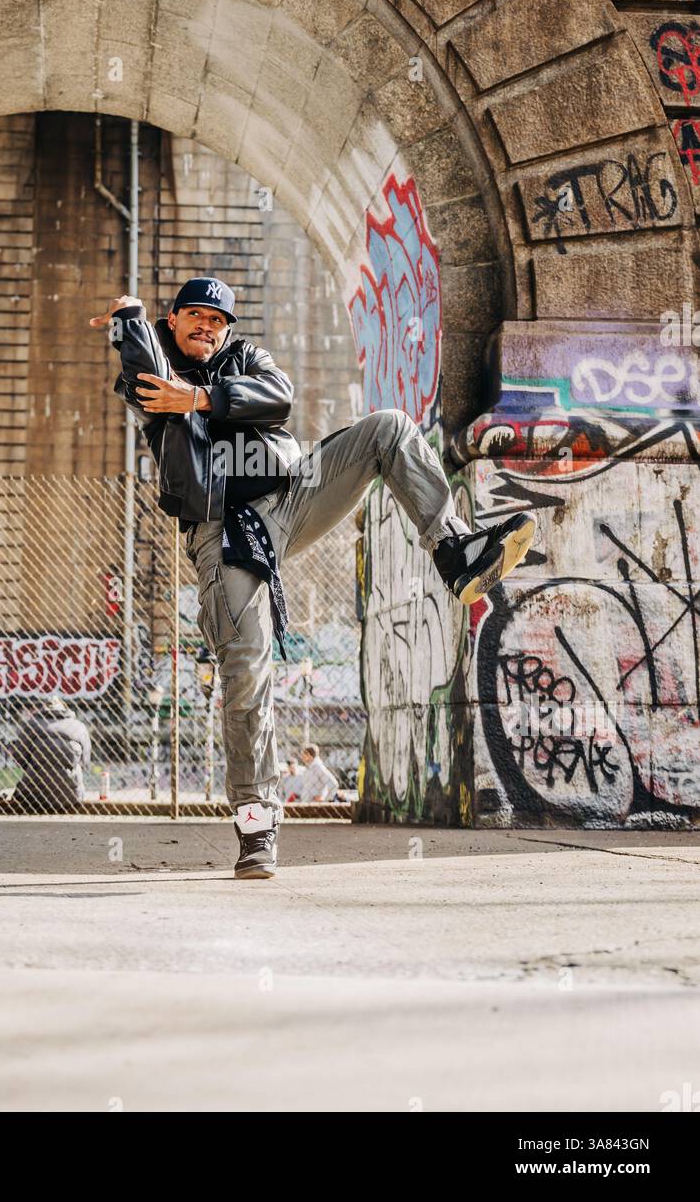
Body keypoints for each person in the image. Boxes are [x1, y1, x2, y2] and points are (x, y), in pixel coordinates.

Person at [90, 276, 536, 878]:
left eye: (217, 319)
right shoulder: (153, 372)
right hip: (223, 529)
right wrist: (133, 318)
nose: (205, 325)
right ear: (173, 322)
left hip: (294, 494)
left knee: (390, 428)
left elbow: (277, 398)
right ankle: (256, 823)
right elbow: (143, 369)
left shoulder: (248, 359)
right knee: (246, 665)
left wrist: (199, 401)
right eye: (192, 315)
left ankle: (453, 551)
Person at [9, 695, 91, 811]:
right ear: (66, 709)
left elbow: (19, 758)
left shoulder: (32, 725)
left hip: (34, 796)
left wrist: (36, 766)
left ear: (43, 709)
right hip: (71, 796)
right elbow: (85, 762)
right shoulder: (78, 727)